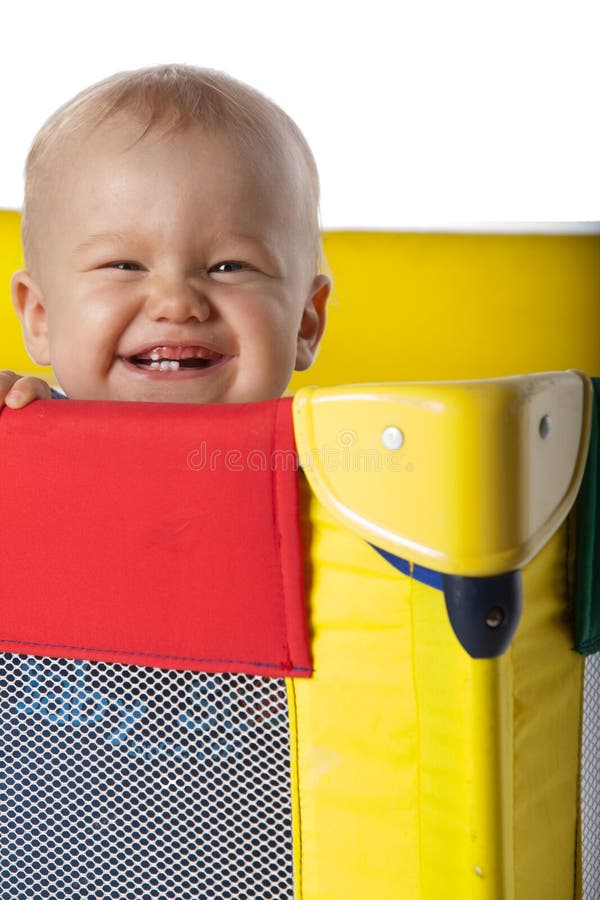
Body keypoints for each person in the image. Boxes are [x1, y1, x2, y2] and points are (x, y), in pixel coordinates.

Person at [0, 63, 330, 408]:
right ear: (40, 317)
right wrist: (16, 427)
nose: (176, 304)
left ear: (306, 323)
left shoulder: (338, 451)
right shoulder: (23, 437)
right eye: (125, 265)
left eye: (229, 267)